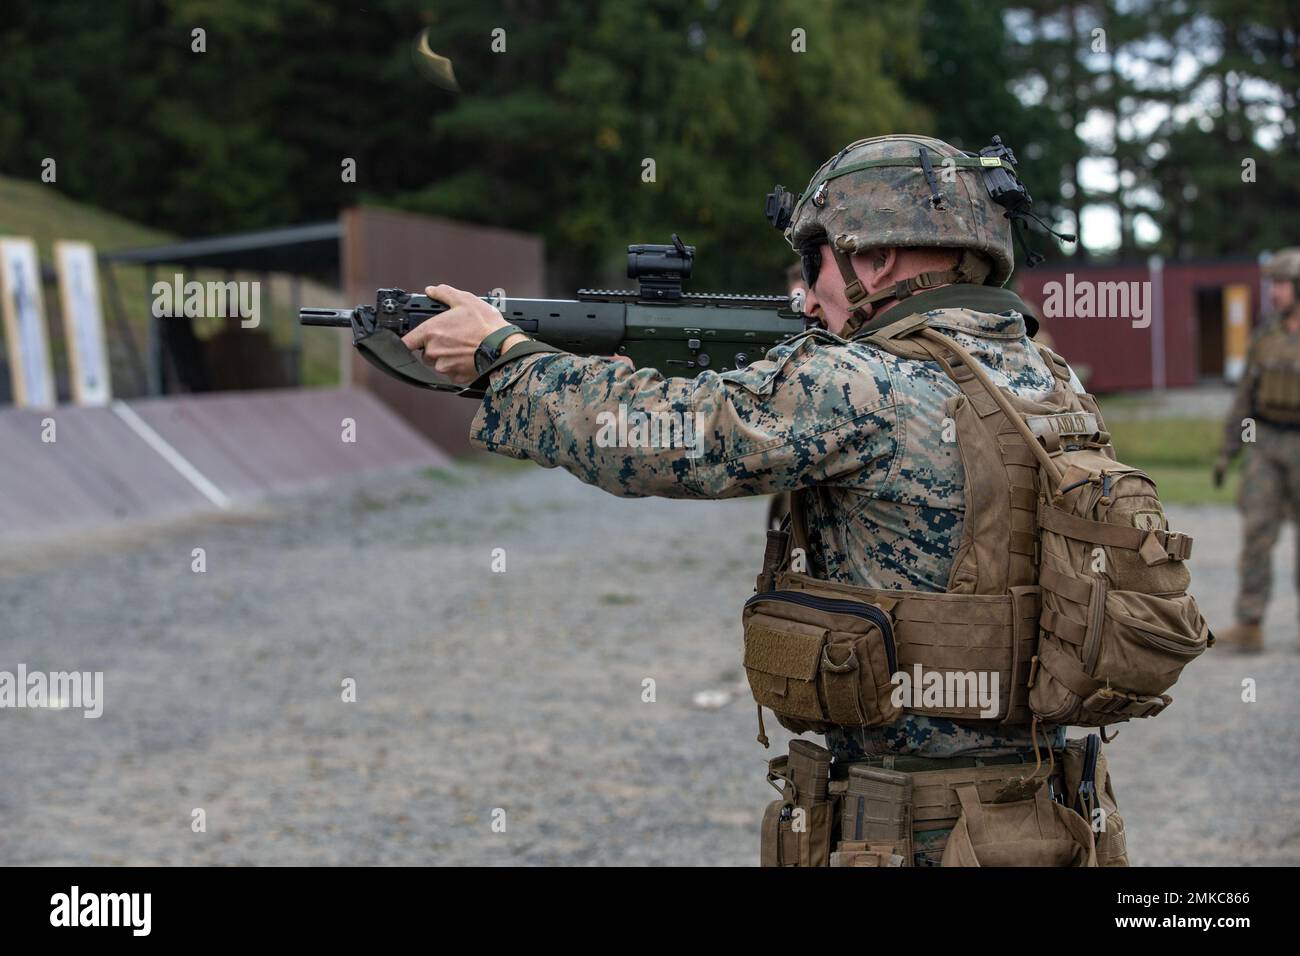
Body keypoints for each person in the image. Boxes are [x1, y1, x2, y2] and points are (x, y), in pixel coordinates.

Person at [403, 134, 1109, 863]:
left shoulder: (864, 383)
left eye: (817, 261)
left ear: (877, 259)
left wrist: (506, 358)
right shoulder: (1049, 378)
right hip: (1041, 813)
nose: (807, 293)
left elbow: (661, 439)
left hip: (922, 830)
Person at [1214, 248, 1300, 652]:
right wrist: (1227, 451)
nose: (1274, 293)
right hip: (1265, 442)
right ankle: (1249, 624)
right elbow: (1244, 397)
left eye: (1280, 285)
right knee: (1256, 533)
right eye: (1272, 285)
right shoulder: (1264, 335)